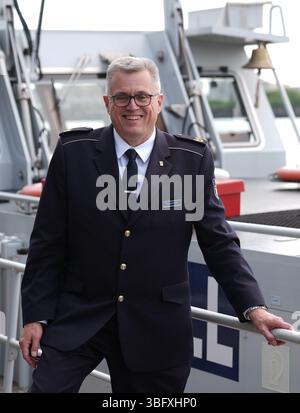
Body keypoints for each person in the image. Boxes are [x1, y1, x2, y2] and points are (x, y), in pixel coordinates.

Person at [20, 56, 292, 393]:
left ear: (158, 101)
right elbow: (48, 242)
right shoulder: (73, 153)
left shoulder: (190, 160)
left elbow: (218, 242)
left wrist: (254, 306)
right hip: (79, 317)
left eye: (142, 96)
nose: (132, 106)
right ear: (108, 103)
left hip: (156, 325)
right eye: (122, 97)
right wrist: (34, 315)